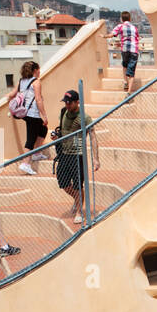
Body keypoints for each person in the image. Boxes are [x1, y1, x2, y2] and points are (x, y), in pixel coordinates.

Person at [53, 89, 100, 225]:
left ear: (77, 102)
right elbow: (63, 131)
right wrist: (56, 137)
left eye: (69, 103)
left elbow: (93, 137)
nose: (67, 105)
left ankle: (79, 212)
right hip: (64, 153)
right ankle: (77, 199)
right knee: (63, 183)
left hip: (77, 154)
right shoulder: (63, 112)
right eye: (65, 102)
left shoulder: (85, 118)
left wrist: (95, 159)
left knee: (79, 185)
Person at [15, 60, 48, 174]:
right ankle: (25, 164)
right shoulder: (36, 82)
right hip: (33, 113)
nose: (39, 71)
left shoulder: (22, 81)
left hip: (25, 113)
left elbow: (14, 93)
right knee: (31, 139)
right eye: (38, 69)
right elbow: (38, 100)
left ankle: (36, 153)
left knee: (43, 129)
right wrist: (44, 115)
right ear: (35, 70)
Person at [110, 11, 140, 93]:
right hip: (134, 50)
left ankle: (125, 82)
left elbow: (112, 34)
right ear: (130, 19)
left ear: (121, 19)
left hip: (125, 50)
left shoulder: (120, 26)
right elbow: (137, 38)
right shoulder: (134, 28)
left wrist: (104, 36)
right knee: (131, 72)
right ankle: (129, 92)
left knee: (124, 65)